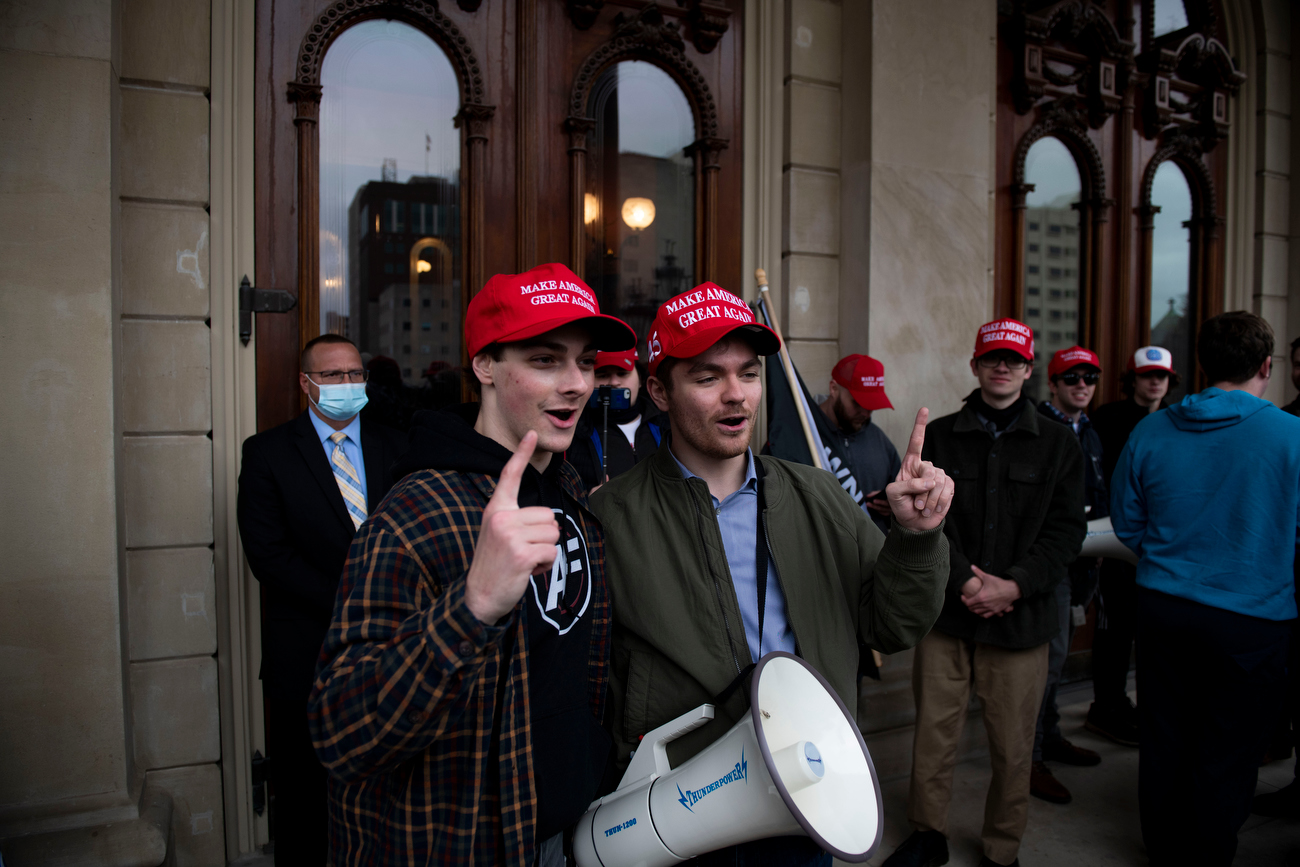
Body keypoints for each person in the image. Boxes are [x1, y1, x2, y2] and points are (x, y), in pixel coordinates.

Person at [590, 283, 953, 867]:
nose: (737, 396)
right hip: (681, 809)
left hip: (803, 789)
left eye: (749, 374)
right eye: (708, 378)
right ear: (658, 389)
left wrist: (916, 539)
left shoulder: (816, 494)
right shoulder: (611, 518)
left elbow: (892, 626)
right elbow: (594, 683)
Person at [308, 263, 636, 865]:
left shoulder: (572, 494)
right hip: (459, 843)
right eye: (545, 360)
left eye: (586, 362)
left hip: (573, 835)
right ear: (485, 365)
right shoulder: (415, 515)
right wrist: (473, 604)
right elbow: (341, 732)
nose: (576, 384)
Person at [886, 318, 1086, 867]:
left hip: (1021, 624)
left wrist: (1015, 584)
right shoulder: (943, 436)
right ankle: (928, 834)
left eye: (1015, 359)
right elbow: (931, 521)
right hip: (948, 618)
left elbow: (1067, 530)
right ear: (975, 364)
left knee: (1013, 746)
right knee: (934, 735)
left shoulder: (1057, 443)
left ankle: (1002, 847)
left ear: (1028, 369)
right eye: (993, 357)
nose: (1003, 366)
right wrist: (969, 583)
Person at [1110, 311, 1300, 866]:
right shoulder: (1291, 436)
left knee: (1166, 732)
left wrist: (1173, 560)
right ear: (1267, 366)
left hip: (1164, 607)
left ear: (1199, 365)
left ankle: (1166, 848)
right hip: (1252, 617)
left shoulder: (1151, 428)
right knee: (1231, 746)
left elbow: (1126, 522)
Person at [236, 334, 409, 866]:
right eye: (333, 376)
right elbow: (268, 555)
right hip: (307, 657)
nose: (347, 385)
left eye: (355, 374)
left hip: (397, 650)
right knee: (306, 806)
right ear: (306, 384)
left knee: (389, 796)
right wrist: (356, 601)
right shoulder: (267, 452)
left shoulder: (397, 444)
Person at [1085, 345, 1180, 746]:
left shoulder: (1178, 421)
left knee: (1153, 631)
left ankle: (1139, 708)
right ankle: (1107, 706)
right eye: (1147, 375)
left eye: (1162, 376)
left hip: (1161, 546)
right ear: (1132, 380)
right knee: (1114, 629)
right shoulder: (1107, 418)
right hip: (1117, 539)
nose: (1155, 382)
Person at [1029, 346, 1107, 806]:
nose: (1082, 385)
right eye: (1072, 377)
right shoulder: (1042, 431)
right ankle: (1032, 755)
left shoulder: (1090, 433)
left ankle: (1051, 735)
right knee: (1048, 663)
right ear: (1053, 383)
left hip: (1084, 562)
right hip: (1050, 566)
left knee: (1056, 665)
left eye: (1090, 378)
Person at [817, 353, 902, 534]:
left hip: (871, 556)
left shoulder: (879, 441)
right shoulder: (803, 433)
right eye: (857, 403)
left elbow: (903, 499)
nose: (865, 413)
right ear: (834, 388)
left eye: (871, 406)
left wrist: (893, 508)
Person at [566, 345, 667, 488]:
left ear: (640, 380)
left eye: (622, 373)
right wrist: (586, 504)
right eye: (602, 375)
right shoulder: (573, 431)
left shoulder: (666, 424)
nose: (614, 383)